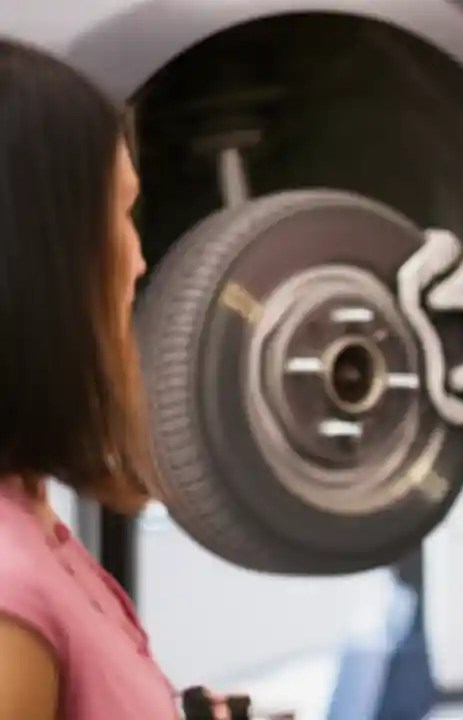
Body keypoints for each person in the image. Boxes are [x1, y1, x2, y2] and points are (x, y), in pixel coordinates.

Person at [0, 39, 237, 720]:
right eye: (123, 213)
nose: (138, 259)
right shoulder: (9, 598)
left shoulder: (36, 534)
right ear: (44, 258)